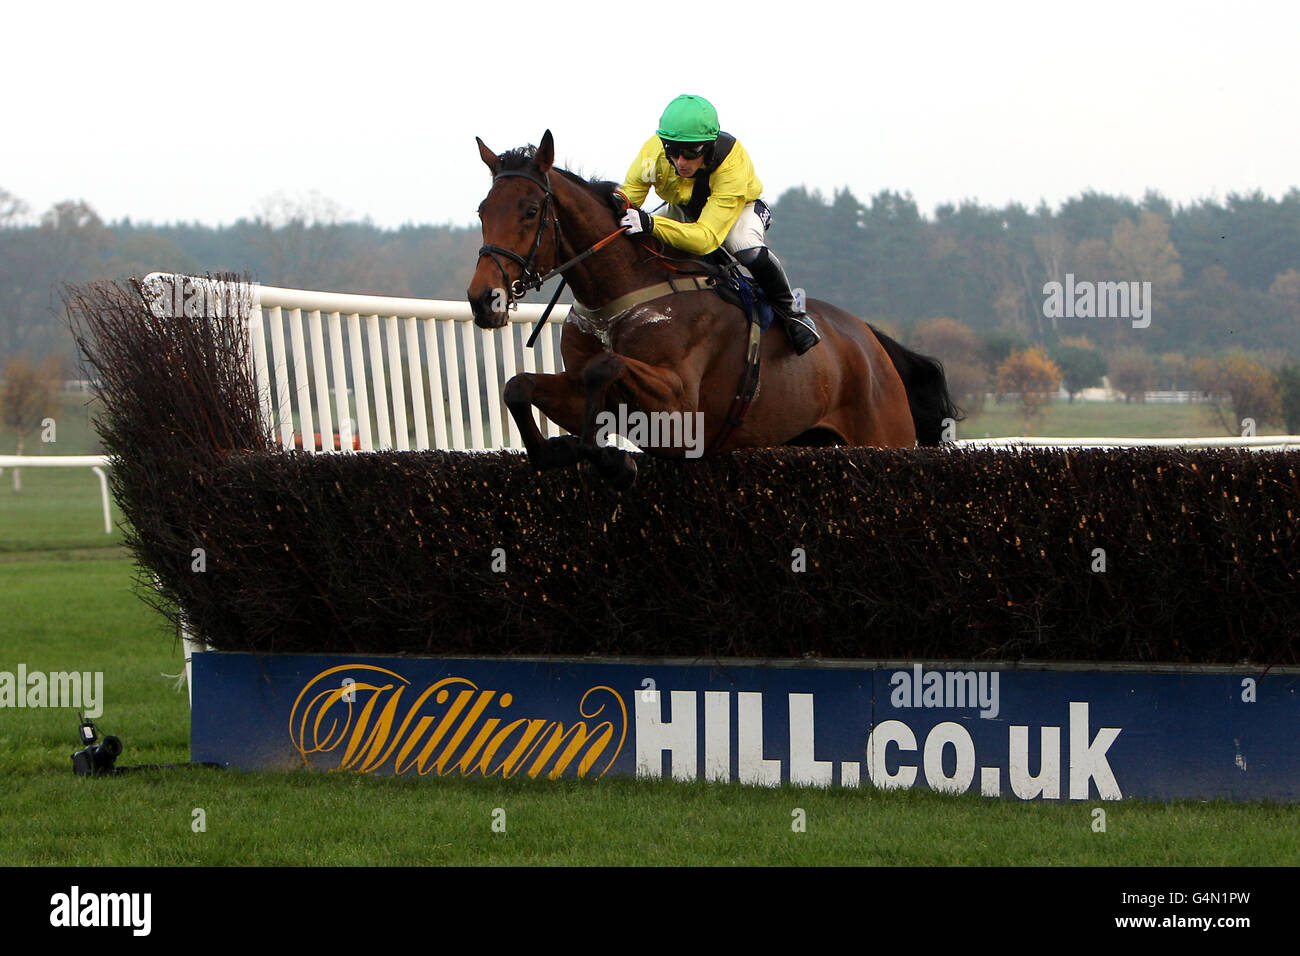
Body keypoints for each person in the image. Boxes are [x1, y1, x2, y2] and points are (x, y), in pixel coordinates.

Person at [616, 94, 820, 354]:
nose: (680, 161)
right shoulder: (653, 152)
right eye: (673, 151)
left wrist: (651, 224)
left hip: (739, 210)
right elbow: (628, 197)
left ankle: (793, 313)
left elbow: (706, 238)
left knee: (744, 246)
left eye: (691, 153)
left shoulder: (731, 162)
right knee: (630, 234)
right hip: (685, 209)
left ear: (708, 146)